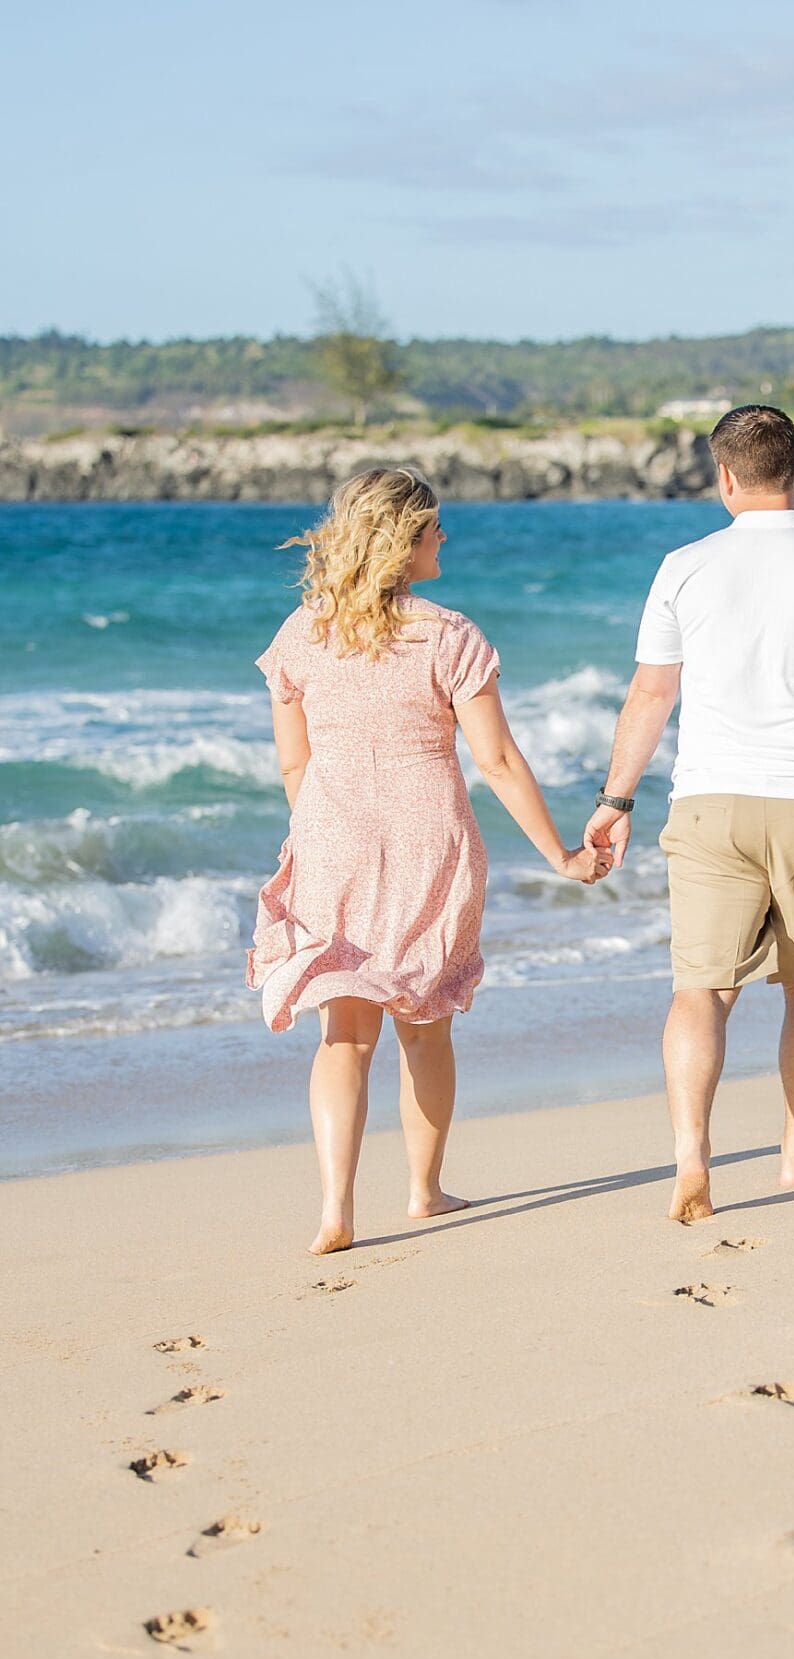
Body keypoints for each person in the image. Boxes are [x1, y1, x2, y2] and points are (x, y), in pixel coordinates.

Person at [247, 466, 607, 1255]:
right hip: (430, 844)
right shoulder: (449, 636)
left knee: (343, 1035)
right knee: (424, 1027)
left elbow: (294, 766)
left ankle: (335, 1210)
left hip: (333, 843)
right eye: (434, 526)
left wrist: (317, 837)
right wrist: (560, 855)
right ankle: (423, 1190)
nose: (444, 537)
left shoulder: (302, 633)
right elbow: (498, 761)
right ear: (404, 541)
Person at [582, 405, 794, 1224]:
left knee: (699, 989)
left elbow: (651, 693)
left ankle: (691, 1157)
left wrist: (614, 799)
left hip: (710, 802)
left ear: (723, 476)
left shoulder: (683, 567)